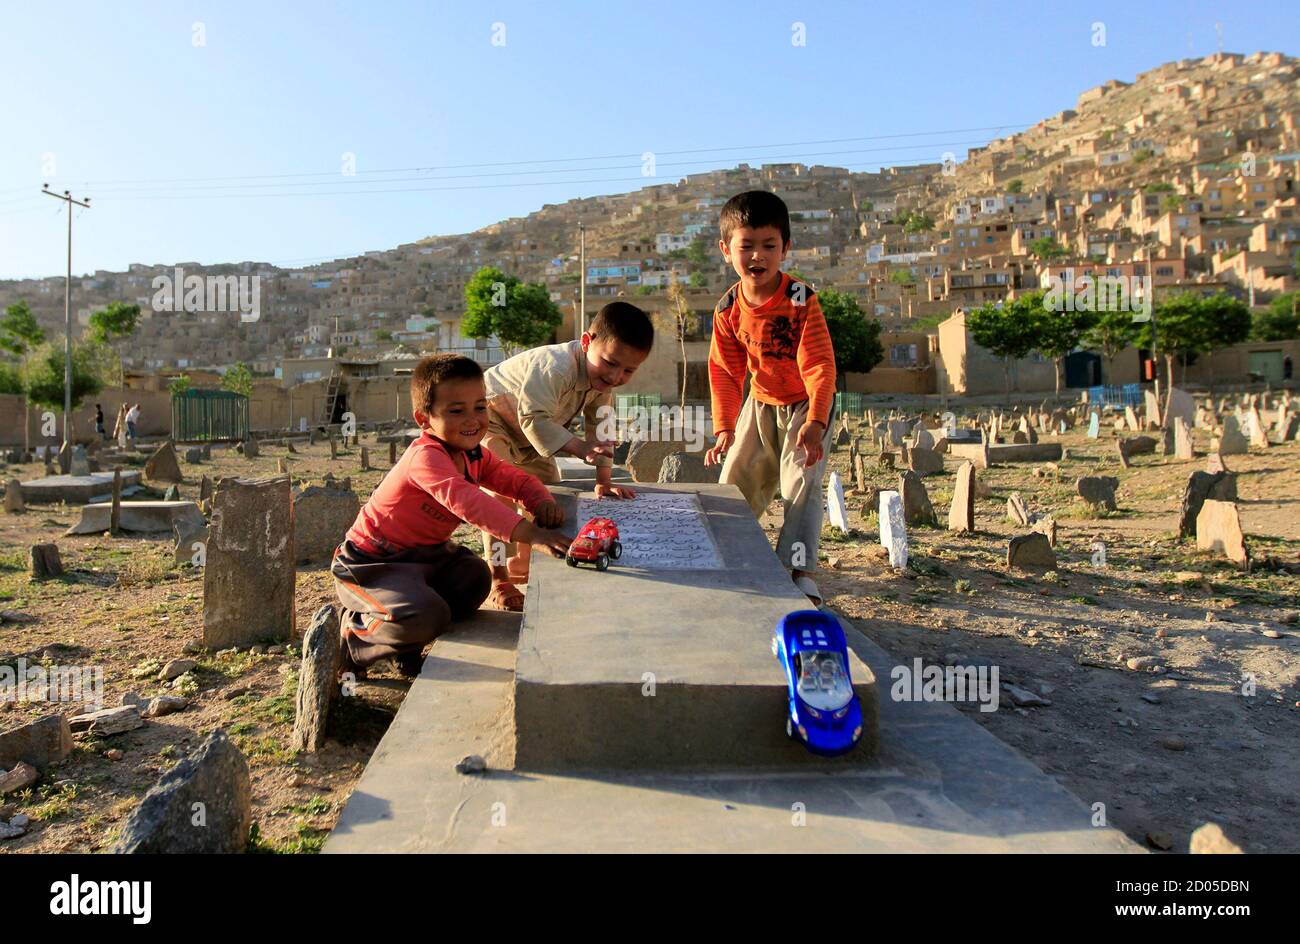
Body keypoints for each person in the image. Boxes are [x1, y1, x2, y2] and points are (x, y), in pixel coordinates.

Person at [330, 354, 569, 677]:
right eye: (457, 411)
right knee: (426, 615)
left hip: (426, 556)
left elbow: (514, 479)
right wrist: (533, 534)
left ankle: (404, 644)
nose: (472, 419)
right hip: (372, 564)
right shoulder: (426, 458)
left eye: (480, 407)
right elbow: (468, 502)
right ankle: (355, 636)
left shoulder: (472, 454)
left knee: (475, 580)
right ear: (424, 419)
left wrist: (540, 500)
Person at [703, 190, 837, 605]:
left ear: (786, 249)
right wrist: (725, 428)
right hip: (760, 403)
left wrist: (815, 421)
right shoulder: (727, 309)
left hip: (805, 405)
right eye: (746, 247)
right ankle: (727, 556)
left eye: (769, 246)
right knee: (735, 483)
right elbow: (725, 371)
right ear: (727, 250)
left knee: (801, 484)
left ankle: (799, 572)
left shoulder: (800, 300)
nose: (757, 257)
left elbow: (818, 363)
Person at [478, 301, 653, 610]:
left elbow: (601, 429)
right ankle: (498, 577)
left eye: (628, 370)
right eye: (610, 363)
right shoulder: (556, 365)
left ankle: (524, 565)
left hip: (532, 437)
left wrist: (604, 481)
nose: (615, 376)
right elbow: (533, 418)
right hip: (493, 420)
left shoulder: (602, 384)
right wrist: (578, 448)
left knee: (546, 499)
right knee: (499, 496)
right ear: (586, 342)